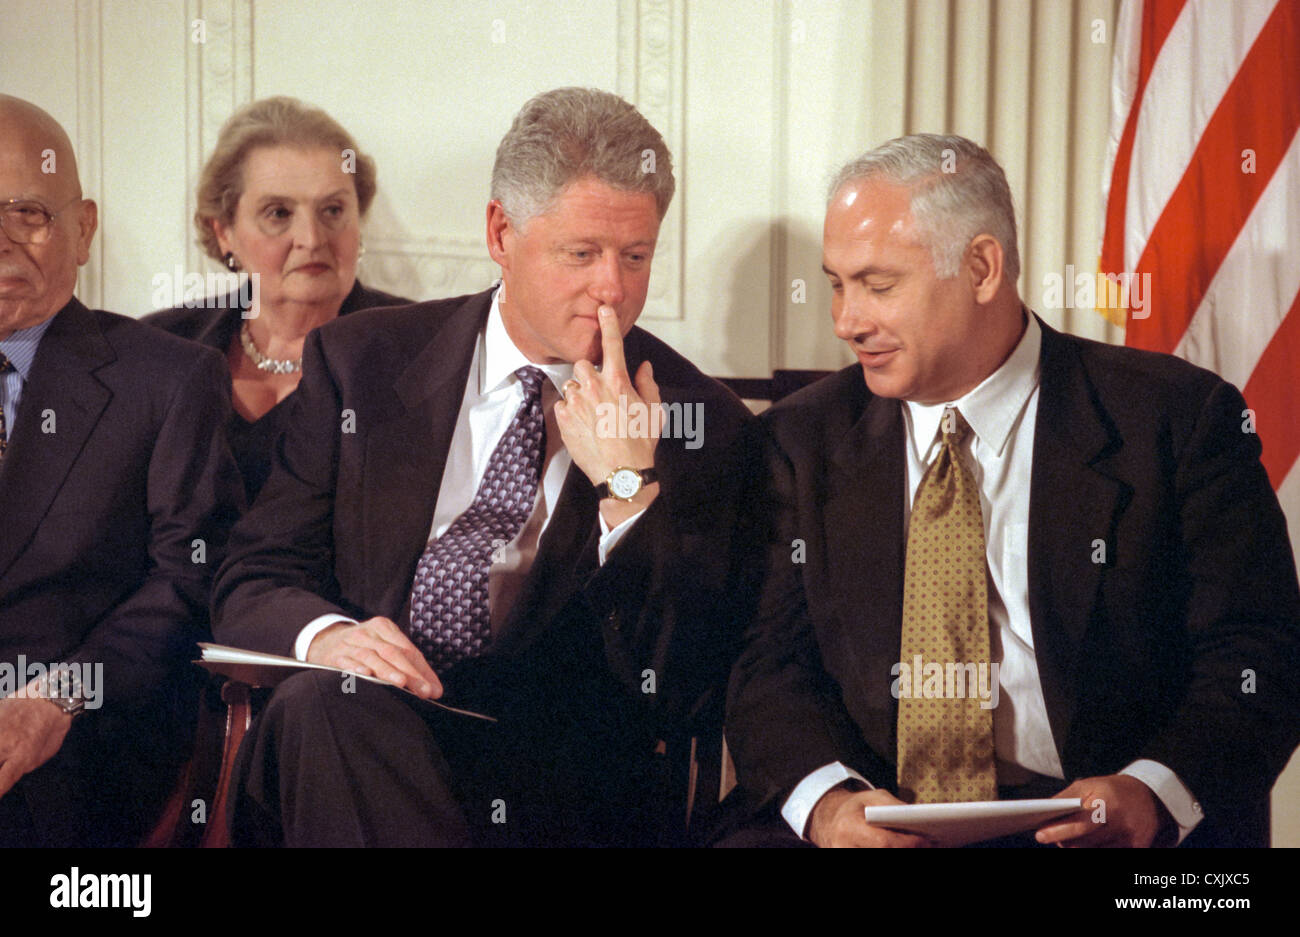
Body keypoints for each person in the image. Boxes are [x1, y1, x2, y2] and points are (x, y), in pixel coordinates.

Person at [211, 87, 758, 847]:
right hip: (358, 735)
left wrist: (628, 492)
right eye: (581, 253)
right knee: (325, 703)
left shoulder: (703, 424)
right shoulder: (362, 362)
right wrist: (331, 636)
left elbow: (686, 686)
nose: (613, 288)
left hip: (555, 787)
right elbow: (254, 575)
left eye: (635, 256)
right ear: (501, 230)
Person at [723, 133, 1300, 848]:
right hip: (874, 818)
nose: (847, 321)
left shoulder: (1176, 421)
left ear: (982, 266)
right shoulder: (797, 441)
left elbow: (1258, 653)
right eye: (837, 284)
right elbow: (764, 668)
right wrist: (828, 807)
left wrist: (1149, 791)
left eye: (877, 285)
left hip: (1097, 825)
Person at [0, 95, 243, 846]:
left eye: (28, 214)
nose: (2, 243)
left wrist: (58, 698)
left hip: (73, 733)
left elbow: (185, 582)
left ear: (83, 228)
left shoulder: (168, 379)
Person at [145, 97, 410, 501]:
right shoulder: (162, 346)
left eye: (333, 210)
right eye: (279, 213)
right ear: (225, 232)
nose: (312, 238)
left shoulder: (419, 349)